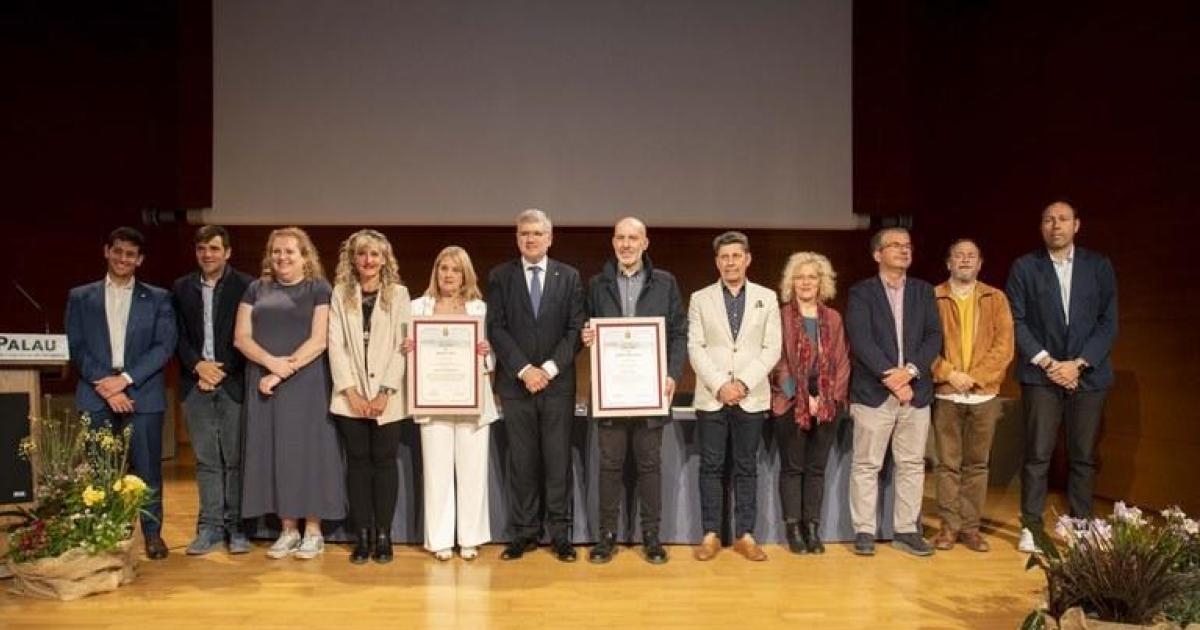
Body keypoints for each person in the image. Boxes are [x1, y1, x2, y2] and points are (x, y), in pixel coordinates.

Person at [1007, 201, 1117, 553]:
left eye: (1063, 219)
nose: (1056, 225)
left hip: (1089, 376)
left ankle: (1082, 528)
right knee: (1038, 454)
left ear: (1077, 225)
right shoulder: (1025, 267)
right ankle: (1033, 527)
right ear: (1042, 227)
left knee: (1083, 455)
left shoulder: (1099, 266)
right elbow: (1017, 320)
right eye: (1049, 220)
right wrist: (1049, 363)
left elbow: (1108, 322)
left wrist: (1078, 364)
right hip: (1041, 375)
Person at [580, 217, 687, 565]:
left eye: (633, 238)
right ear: (613, 243)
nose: (626, 244)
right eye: (621, 238)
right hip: (612, 394)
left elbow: (678, 334)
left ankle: (652, 537)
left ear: (645, 242)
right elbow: (585, 324)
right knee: (609, 467)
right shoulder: (597, 284)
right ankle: (606, 536)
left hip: (650, 392)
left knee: (649, 466)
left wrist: (672, 375)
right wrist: (587, 336)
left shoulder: (665, 283)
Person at [66, 226, 177, 560]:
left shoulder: (158, 298)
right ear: (106, 252)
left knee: (147, 469)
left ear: (139, 260)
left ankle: (152, 535)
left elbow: (164, 346)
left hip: (142, 392)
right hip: (96, 392)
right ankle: (106, 534)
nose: (123, 259)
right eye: (118, 251)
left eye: (130, 254)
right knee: (100, 470)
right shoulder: (80, 296)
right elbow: (77, 346)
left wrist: (125, 379)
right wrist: (107, 384)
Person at [235, 226, 344, 560]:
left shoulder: (319, 288)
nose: (282, 257)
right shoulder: (256, 288)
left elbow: (319, 340)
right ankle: (287, 529)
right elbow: (241, 337)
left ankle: (313, 531)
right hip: (264, 382)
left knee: (308, 452)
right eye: (276, 251)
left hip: (306, 383)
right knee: (274, 451)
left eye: (290, 252)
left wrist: (283, 371)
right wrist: (270, 364)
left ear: (304, 256)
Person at [486, 208, 585, 562]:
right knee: (522, 461)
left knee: (557, 462)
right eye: (524, 233)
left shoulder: (570, 277)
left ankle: (560, 534)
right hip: (517, 385)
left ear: (549, 237)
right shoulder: (500, 276)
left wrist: (548, 369)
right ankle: (524, 534)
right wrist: (525, 369)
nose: (530, 238)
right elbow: (495, 327)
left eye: (537, 233)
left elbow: (576, 329)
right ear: (517, 237)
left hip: (557, 385)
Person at [845, 227, 942, 557]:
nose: (904, 250)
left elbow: (933, 338)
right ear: (877, 254)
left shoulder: (923, 291)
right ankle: (864, 531)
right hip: (874, 393)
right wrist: (892, 379)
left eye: (907, 245)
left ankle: (905, 530)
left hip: (916, 393)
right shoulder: (861, 293)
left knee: (912, 464)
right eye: (895, 245)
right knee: (867, 464)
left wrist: (910, 373)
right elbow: (861, 341)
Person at [688, 231, 782, 562]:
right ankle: (711, 534)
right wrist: (720, 385)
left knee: (747, 467)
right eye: (724, 257)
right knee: (711, 467)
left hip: (751, 396)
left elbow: (772, 348)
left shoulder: (767, 297)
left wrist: (742, 383)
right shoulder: (700, 298)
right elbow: (695, 348)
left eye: (736, 256)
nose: (730, 262)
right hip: (713, 397)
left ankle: (745, 535)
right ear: (717, 262)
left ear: (747, 259)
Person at [409, 246, 498, 561]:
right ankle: (441, 540)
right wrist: (408, 349)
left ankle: (470, 539)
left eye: (455, 269)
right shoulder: (417, 307)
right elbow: (406, 354)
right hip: (432, 402)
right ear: (435, 272)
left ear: (466, 275)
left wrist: (486, 352)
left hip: (473, 401)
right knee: (437, 473)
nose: (448, 275)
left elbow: (493, 360)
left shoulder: (481, 310)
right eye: (443, 268)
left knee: (473, 473)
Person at [327, 229, 411, 564]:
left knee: (385, 463)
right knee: (358, 464)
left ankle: (384, 535)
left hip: (388, 398)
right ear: (353, 259)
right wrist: (351, 391)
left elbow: (403, 347)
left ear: (385, 259)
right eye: (362, 254)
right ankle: (362, 535)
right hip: (350, 398)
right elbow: (336, 346)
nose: (369, 260)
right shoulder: (339, 293)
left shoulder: (400, 295)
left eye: (375, 254)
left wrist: (385, 391)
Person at [172, 225, 253, 555]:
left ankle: (236, 528)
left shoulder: (247, 286)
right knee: (206, 461)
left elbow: (249, 335)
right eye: (202, 248)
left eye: (215, 249)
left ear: (228, 252)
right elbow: (176, 335)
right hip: (196, 384)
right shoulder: (181, 287)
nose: (208, 254)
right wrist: (198, 367)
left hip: (232, 381)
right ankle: (208, 528)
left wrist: (221, 370)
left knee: (234, 460)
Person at [929, 239, 1014, 552]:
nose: (964, 260)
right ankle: (948, 528)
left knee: (977, 465)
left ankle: (971, 528)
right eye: (958, 255)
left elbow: (1003, 347)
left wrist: (974, 378)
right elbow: (924, 344)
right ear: (948, 262)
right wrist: (950, 374)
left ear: (980, 264)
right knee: (947, 464)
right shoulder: (933, 297)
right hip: (947, 394)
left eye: (971, 256)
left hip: (983, 395)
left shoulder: (996, 298)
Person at [768, 252, 849, 555]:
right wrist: (802, 396)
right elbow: (777, 363)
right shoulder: (780, 316)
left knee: (816, 469)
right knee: (793, 468)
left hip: (828, 404)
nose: (805, 282)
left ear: (821, 283)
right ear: (791, 282)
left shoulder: (833, 318)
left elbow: (842, 362)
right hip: (790, 400)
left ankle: (812, 528)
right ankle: (793, 529)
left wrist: (827, 399)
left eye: (812, 277)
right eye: (800, 277)